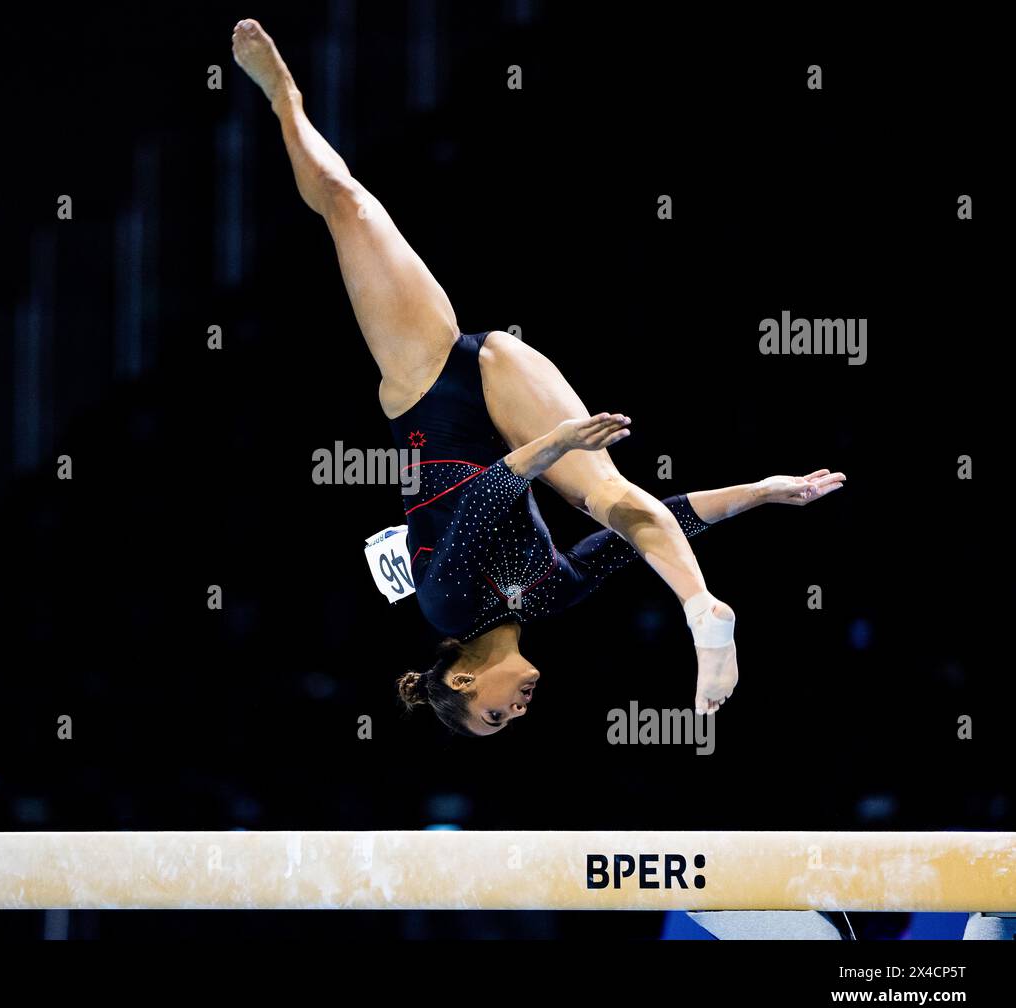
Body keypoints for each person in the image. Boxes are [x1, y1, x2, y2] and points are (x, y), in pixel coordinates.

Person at [231, 18, 845, 735]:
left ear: (459, 677)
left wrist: (554, 445)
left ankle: (286, 99)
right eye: (511, 722)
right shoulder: (549, 598)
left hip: (433, 387)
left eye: (492, 716)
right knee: (615, 498)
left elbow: (479, 502)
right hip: (518, 420)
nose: (516, 713)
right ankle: (701, 610)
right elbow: (663, 518)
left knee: (348, 205)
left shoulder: (446, 607)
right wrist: (764, 493)